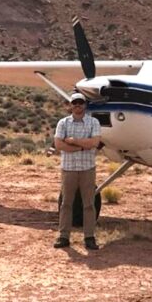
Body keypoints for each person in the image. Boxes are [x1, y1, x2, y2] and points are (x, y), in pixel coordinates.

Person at [49, 92, 102, 250]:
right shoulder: (63, 123)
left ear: (85, 105)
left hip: (87, 169)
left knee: (89, 204)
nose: (77, 105)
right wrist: (81, 146)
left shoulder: (93, 122)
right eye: (75, 102)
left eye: (80, 102)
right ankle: (64, 236)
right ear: (70, 105)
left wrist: (73, 142)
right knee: (66, 203)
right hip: (69, 169)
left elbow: (94, 142)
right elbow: (59, 145)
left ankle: (89, 237)